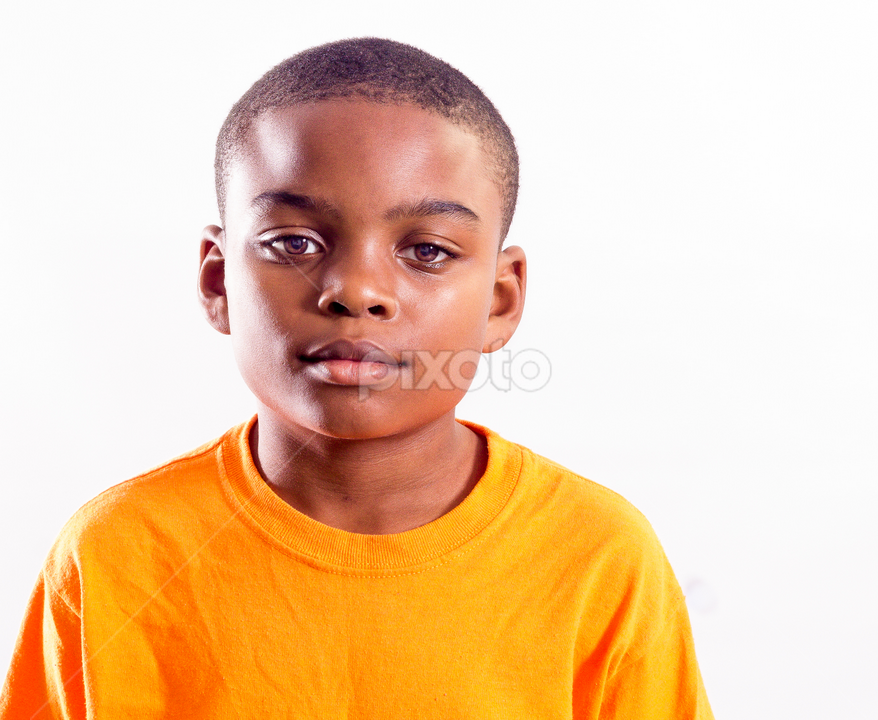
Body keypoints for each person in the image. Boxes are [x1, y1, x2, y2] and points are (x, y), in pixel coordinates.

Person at [0, 38, 714, 719]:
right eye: (294, 242)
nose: (355, 290)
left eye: (427, 251)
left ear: (500, 302)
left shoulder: (598, 557)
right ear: (218, 282)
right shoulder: (117, 554)